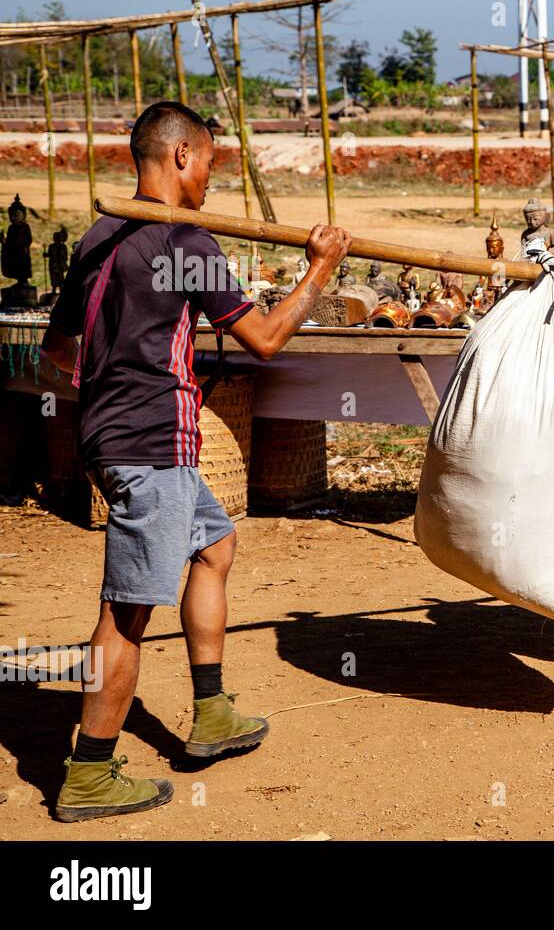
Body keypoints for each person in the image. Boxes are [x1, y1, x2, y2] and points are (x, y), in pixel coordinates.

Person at [41, 101, 351, 822]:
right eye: (210, 161)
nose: (212, 177)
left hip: (116, 436)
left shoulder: (99, 237)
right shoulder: (186, 241)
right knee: (127, 611)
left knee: (215, 544)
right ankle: (89, 773)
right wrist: (320, 270)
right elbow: (265, 339)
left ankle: (211, 712)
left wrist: (117, 378)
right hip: (151, 444)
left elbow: (58, 351)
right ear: (182, 156)